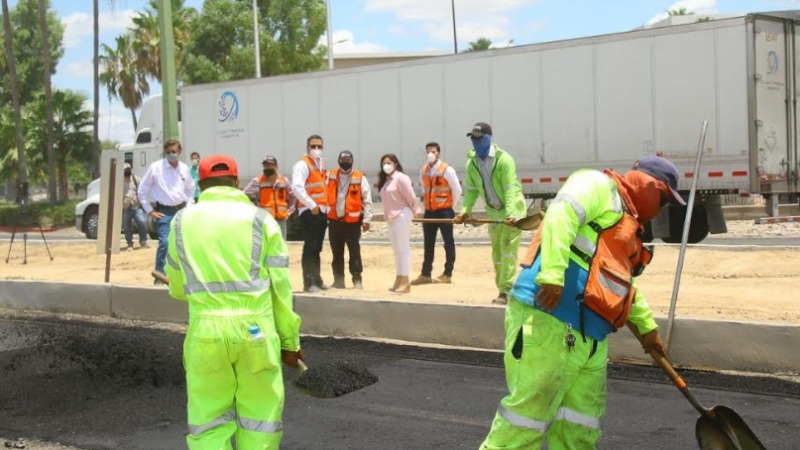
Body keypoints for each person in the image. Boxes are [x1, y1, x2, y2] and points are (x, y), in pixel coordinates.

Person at [479, 156, 680, 450]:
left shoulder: (627, 226)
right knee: (527, 417)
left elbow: (623, 283)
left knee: (579, 424)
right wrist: (552, 275)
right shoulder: (597, 185)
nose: (660, 211)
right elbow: (561, 215)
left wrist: (647, 329)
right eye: (663, 201)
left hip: (591, 335)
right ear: (652, 186)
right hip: (550, 316)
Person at [165, 154, 303, 450]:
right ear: (237, 182)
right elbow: (281, 289)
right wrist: (290, 342)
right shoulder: (261, 220)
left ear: (201, 185)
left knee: (209, 421)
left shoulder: (181, 222)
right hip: (256, 333)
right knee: (260, 417)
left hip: (206, 333)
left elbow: (177, 288)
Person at [455, 122, 527, 305]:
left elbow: (510, 189)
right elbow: (471, 191)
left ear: (488, 138)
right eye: (473, 138)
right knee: (497, 253)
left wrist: (511, 214)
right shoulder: (472, 163)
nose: (475, 142)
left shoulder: (504, 160)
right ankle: (502, 288)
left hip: (512, 211)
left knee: (507, 251)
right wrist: (465, 211)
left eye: (479, 138)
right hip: (493, 213)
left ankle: (506, 292)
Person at [138, 139, 195, 283]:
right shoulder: (155, 168)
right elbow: (142, 190)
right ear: (165, 152)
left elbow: (190, 189)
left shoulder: (184, 168)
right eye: (168, 152)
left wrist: (188, 207)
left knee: (183, 244)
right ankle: (160, 278)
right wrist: (150, 211)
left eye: (174, 152)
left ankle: (184, 277)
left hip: (182, 210)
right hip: (164, 212)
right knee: (164, 243)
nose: (171, 155)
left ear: (180, 151)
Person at [411, 142, 462, 285]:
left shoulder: (447, 169)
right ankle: (425, 274)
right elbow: (424, 189)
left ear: (438, 153)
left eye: (433, 152)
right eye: (428, 152)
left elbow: (457, 190)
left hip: (444, 212)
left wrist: (449, 206)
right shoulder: (424, 170)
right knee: (428, 243)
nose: (430, 154)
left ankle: (447, 274)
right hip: (429, 212)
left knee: (448, 242)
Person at [326, 150, 373, 290]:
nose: (345, 163)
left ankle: (357, 279)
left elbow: (367, 199)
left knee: (354, 252)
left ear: (352, 161)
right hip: (334, 222)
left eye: (348, 160)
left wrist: (367, 219)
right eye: (343, 160)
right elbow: (323, 194)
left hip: (352, 223)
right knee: (337, 253)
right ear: (338, 161)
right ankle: (338, 281)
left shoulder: (360, 177)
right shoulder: (331, 175)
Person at [291, 134, 330, 293]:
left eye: (319, 146)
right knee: (310, 247)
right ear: (307, 147)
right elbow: (297, 187)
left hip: (321, 210)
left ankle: (317, 280)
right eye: (313, 146)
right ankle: (309, 282)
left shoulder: (321, 164)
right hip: (309, 211)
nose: (316, 149)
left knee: (317, 248)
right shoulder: (302, 164)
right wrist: (312, 205)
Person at [378, 154, 421, 294]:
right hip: (390, 217)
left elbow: (410, 195)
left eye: (388, 162)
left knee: (403, 249)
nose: (386, 166)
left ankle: (406, 281)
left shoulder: (401, 178)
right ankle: (399, 278)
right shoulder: (387, 180)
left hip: (401, 214)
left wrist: (415, 209)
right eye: (383, 163)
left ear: (395, 164)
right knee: (396, 250)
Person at [243, 155, 296, 240]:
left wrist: (289, 211)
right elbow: (243, 194)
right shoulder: (258, 181)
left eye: (270, 165)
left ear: (276, 167)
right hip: (265, 220)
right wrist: (254, 209)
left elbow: (293, 196)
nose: (267, 168)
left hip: (281, 220)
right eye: (265, 166)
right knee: (266, 244)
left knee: (281, 244)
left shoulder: (284, 180)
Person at [121, 163, 150, 251]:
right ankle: (129, 244)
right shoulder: (120, 181)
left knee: (141, 222)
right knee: (127, 226)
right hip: (125, 207)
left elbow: (143, 191)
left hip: (136, 206)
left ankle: (143, 242)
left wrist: (137, 199)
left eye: (128, 170)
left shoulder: (136, 179)